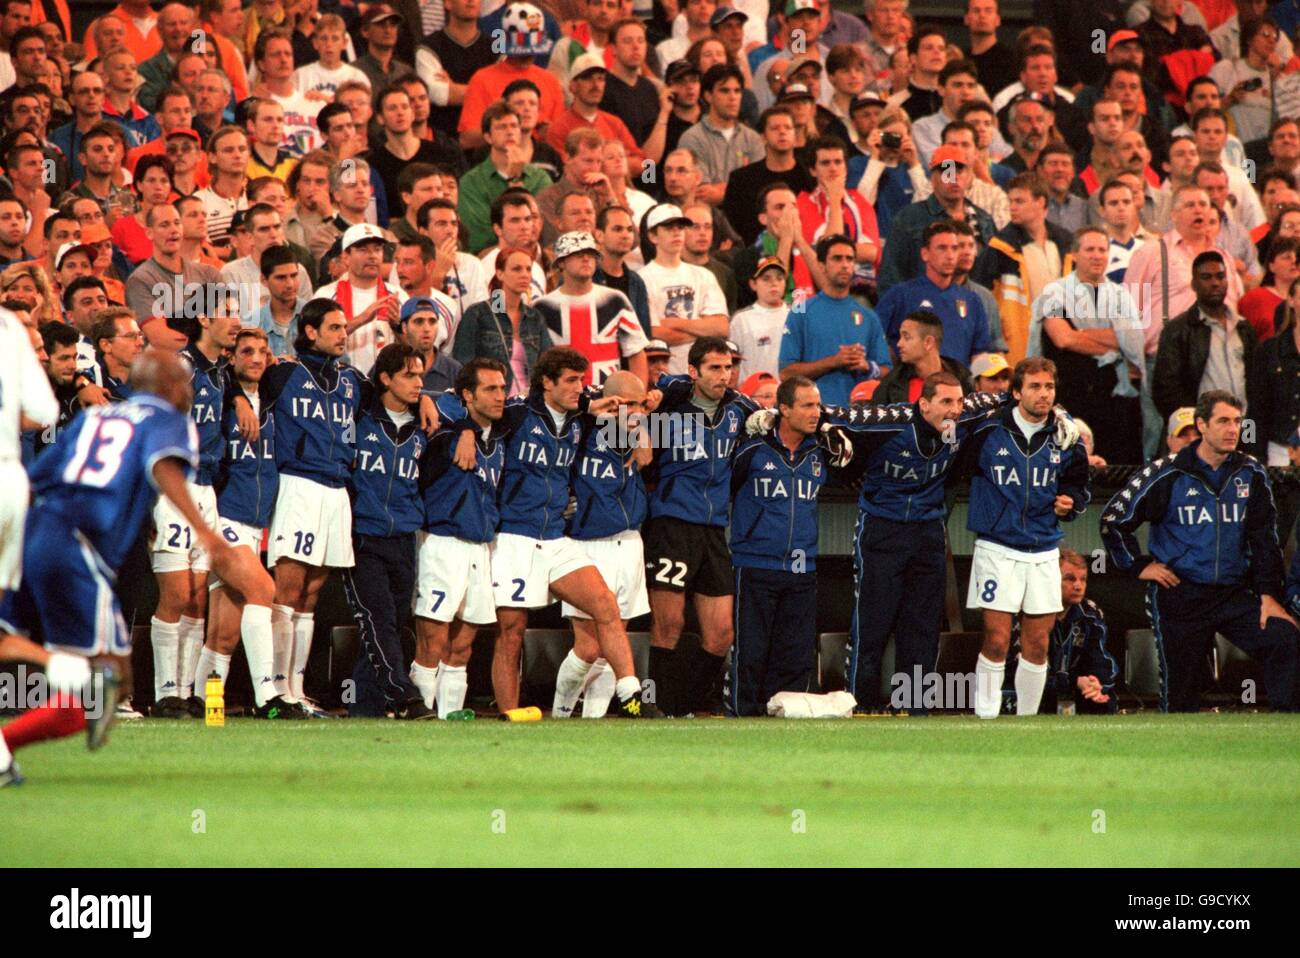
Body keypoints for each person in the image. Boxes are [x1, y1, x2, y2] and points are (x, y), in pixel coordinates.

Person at [0, 351, 258, 785]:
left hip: (37, 530)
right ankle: (35, 716)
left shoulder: (93, 417)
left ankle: (22, 724)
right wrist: (207, 534)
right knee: (108, 682)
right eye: (187, 383)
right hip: (80, 543)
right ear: (172, 387)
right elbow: (160, 464)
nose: (192, 392)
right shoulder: (169, 419)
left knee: (26, 647)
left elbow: (38, 477)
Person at [439, 346, 657, 717]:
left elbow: (634, 410)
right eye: (570, 381)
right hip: (513, 538)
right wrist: (464, 429)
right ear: (546, 382)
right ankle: (510, 713)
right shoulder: (518, 414)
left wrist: (641, 434)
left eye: (581, 381)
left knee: (605, 603)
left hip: (556, 537)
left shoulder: (580, 417)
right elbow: (447, 400)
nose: (578, 388)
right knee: (511, 632)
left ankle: (632, 697)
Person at [814, 369, 1004, 711]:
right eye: (946, 401)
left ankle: (914, 710)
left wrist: (1064, 417)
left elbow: (1010, 395)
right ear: (924, 404)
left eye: (959, 400)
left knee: (922, 629)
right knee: (872, 626)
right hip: (881, 530)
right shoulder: (889, 420)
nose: (955, 409)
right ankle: (861, 709)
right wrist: (825, 429)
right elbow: (823, 412)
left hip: (929, 532)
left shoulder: (968, 415)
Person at [1102, 390, 1298, 712]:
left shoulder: (1251, 472)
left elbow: (1265, 539)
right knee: (1181, 698)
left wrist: (1268, 595)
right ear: (1202, 425)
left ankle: (1286, 727)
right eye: (1223, 421)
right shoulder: (1167, 472)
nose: (1232, 429)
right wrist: (1138, 566)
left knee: (1283, 638)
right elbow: (1113, 520)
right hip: (1180, 594)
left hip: (1234, 593)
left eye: (1237, 421)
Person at [148, 287, 256, 718]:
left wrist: (238, 396)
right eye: (226, 313)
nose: (235, 319)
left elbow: (226, 386)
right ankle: (164, 692)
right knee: (175, 594)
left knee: (196, 597)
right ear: (204, 320)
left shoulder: (217, 372)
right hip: (176, 487)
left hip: (206, 488)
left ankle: (188, 691)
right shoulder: (181, 369)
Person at [963, 357, 1090, 719]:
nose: (1043, 394)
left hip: (1044, 548)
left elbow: (1079, 487)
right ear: (1017, 391)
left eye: (1049, 387)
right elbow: (957, 469)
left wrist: (1071, 503)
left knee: (1038, 642)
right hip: (996, 547)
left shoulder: (1067, 437)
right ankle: (985, 718)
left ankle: (1027, 722)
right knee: (997, 639)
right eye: (1034, 386)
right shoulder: (987, 432)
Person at [643, 336, 758, 715]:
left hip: (713, 529)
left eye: (728, 368)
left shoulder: (740, 412)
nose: (724, 375)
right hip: (671, 524)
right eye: (714, 368)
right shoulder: (670, 412)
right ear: (693, 371)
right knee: (669, 624)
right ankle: (654, 705)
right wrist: (640, 419)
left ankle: (681, 705)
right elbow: (621, 442)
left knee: (722, 633)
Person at [547, 370, 654, 718]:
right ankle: (561, 713)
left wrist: (643, 429)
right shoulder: (582, 428)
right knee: (589, 645)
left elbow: (672, 393)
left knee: (613, 644)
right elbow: (560, 407)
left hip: (630, 543)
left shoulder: (644, 432)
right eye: (627, 404)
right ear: (608, 402)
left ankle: (594, 721)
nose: (636, 411)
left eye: (641, 403)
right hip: (587, 545)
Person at [203, 326, 295, 719]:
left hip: (256, 525)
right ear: (232, 357)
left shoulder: (274, 404)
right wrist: (236, 399)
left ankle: (204, 702)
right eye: (246, 351)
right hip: (224, 517)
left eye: (262, 351)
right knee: (263, 588)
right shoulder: (222, 402)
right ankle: (268, 695)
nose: (256, 358)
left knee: (223, 633)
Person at [725, 375, 829, 715]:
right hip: (755, 563)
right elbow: (725, 487)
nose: (816, 412)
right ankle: (743, 714)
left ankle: (788, 716)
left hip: (803, 566)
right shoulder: (752, 450)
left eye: (818, 405)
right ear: (783, 409)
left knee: (796, 652)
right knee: (751, 650)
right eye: (807, 405)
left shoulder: (821, 451)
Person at [339, 343, 433, 719]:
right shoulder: (358, 417)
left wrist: (461, 428)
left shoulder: (424, 428)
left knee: (387, 627)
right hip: (364, 536)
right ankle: (404, 697)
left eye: (421, 375)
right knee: (377, 619)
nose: (418, 384)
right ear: (385, 379)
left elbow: (465, 400)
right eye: (409, 375)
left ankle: (366, 708)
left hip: (404, 539)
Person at [1032, 226, 1146, 464]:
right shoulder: (1053, 292)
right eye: (1090, 249)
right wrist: (1115, 343)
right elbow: (1063, 339)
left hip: (1114, 399)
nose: (1097, 255)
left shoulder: (1121, 295)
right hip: (1070, 395)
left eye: (1102, 250)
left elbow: (1134, 343)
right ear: (1074, 254)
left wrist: (1082, 333)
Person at [971, 173, 1074, 363]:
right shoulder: (999, 248)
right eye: (1010, 201)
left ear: (1040, 202)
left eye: (1019, 201)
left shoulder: (1066, 242)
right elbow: (977, 295)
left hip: (1061, 341)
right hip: (1019, 342)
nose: (1012, 207)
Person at [779, 234, 890, 407]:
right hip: (816, 415)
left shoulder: (868, 316)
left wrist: (866, 366)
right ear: (821, 265)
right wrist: (833, 361)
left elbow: (886, 371)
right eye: (837, 259)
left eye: (850, 259)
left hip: (859, 417)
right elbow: (786, 373)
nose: (845, 265)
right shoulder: (801, 312)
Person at [1004, 549, 1119, 714]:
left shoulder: (1090, 613)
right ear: (1050, 580)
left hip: (1074, 686)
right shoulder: (1026, 611)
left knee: (1103, 698)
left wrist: (1096, 682)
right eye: (1070, 579)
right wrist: (1074, 681)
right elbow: (1017, 667)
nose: (1078, 586)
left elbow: (1101, 659)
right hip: (1028, 687)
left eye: (1083, 579)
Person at [877, 144, 995, 295]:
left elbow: (993, 274)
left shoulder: (983, 220)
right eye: (946, 170)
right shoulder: (909, 219)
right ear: (932, 179)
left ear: (970, 176)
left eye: (959, 170)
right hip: (922, 307)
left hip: (973, 306)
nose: (953, 178)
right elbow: (890, 276)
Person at [1152, 251, 1255, 423]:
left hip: (1243, 424)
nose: (1215, 283)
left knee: (1246, 450)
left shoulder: (1243, 327)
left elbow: (1255, 382)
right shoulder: (1177, 330)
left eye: (1220, 276)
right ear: (1194, 284)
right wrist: (1193, 426)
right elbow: (1165, 390)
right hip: (1203, 428)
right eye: (1206, 277)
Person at [535, 231, 648, 385]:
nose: (586, 258)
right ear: (561, 262)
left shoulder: (615, 299)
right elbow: (533, 360)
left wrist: (637, 398)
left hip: (611, 400)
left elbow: (636, 351)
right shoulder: (542, 307)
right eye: (578, 254)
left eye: (590, 253)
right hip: (564, 401)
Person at [876, 219, 991, 366]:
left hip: (957, 386)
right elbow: (876, 339)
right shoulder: (901, 295)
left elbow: (979, 353)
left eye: (954, 248)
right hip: (913, 385)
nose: (950, 256)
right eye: (942, 248)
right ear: (925, 254)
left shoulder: (972, 300)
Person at [637, 203, 729, 375]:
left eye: (680, 227)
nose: (676, 232)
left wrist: (674, 323)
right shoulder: (641, 279)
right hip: (662, 376)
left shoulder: (703, 275)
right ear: (652, 236)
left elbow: (721, 328)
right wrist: (703, 331)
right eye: (669, 227)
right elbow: (652, 333)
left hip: (701, 377)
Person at [315, 223, 409, 376]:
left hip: (384, 388)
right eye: (363, 249)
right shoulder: (326, 296)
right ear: (345, 257)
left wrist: (397, 327)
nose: (372, 256)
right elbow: (315, 342)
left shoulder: (397, 296)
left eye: (377, 249)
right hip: (337, 382)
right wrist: (361, 319)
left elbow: (412, 351)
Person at [678, 64, 765, 207]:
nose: (733, 97)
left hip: (748, 221)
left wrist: (720, 191)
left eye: (737, 91)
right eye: (724, 91)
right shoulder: (692, 138)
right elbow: (702, 193)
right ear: (708, 96)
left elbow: (760, 190)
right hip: (706, 220)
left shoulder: (753, 139)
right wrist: (742, 189)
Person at [1248, 277, 1300, 466]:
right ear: (1291, 300)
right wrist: (1250, 456)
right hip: (1277, 451)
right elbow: (1253, 409)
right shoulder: (1268, 351)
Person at [871, 310, 975, 404]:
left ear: (928, 342)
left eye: (906, 337)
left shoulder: (963, 378)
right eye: (900, 337)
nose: (899, 344)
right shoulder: (890, 384)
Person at [729, 257, 790, 381]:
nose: (774, 283)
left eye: (779, 278)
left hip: (790, 396)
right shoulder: (742, 320)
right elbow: (732, 363)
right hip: (752, 395)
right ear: (753, 284)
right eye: (766, 278)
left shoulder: (795, 316)